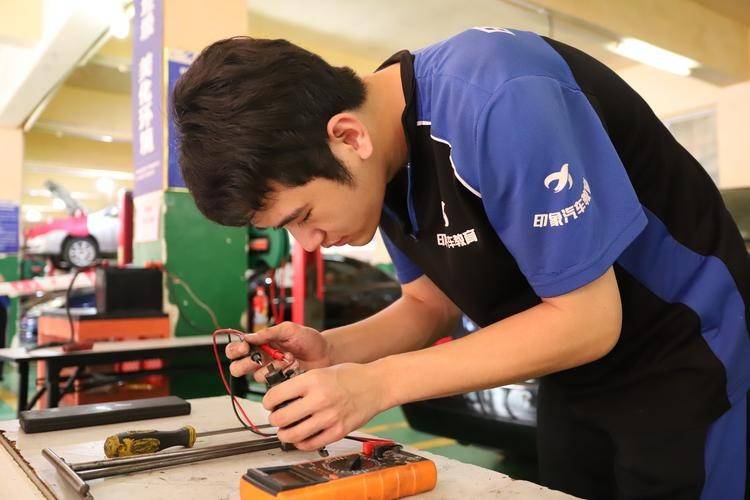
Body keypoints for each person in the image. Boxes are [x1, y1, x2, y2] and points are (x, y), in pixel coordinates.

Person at [172, 28, 749, 499]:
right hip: (576, 375)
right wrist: (334, 351)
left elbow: (587, 320)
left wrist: (377, 384)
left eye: (302, 215)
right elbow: (430, 304)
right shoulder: (382, 159)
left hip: (689, 352)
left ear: (347, 137)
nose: (307, 243)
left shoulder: (500, 97)